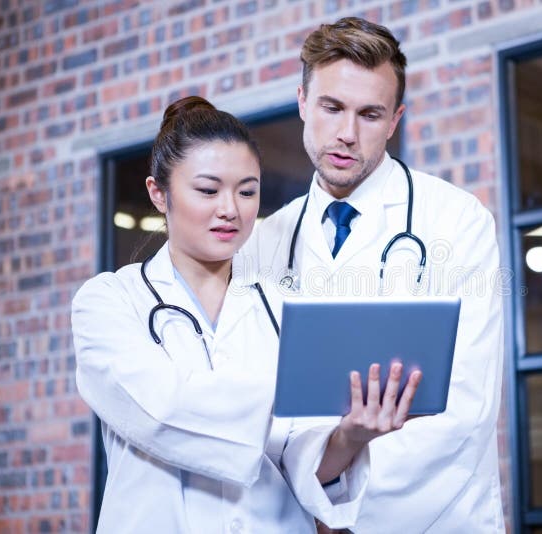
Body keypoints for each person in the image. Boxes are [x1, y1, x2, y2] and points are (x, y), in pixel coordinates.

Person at [71, 96, 421, 533]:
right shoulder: (109, 302)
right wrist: (296, 387)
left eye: (247, 190)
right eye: (207, 189)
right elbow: (161, 410)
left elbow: (306, 461)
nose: (230, 209)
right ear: (159, 194)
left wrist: (352, 434)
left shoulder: (284, 308)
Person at [242, 17, 505, 532]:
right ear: (301, 101)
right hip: (294, 512)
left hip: (426, 519)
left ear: (394, 120)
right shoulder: (261, 244)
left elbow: (464, 409)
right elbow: (258, 408)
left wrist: (339, 510)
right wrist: (317, 489)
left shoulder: (456, 220)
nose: (346, 133)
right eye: (331, 107)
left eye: (370, 114)